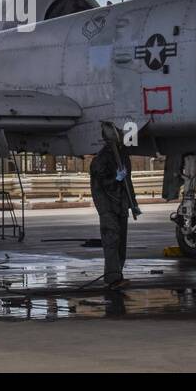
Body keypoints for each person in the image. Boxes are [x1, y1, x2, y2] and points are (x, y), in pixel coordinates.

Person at [89, 121, 140, 290]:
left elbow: (128, 182)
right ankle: (113, 278)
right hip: (108, 207)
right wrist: (115, 179)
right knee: (111, 241)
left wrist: (133, 204)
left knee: (121, 243)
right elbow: (102, 183)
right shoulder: (101, 159)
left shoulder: (122, 155)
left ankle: (117, 275)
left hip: (121, 205)